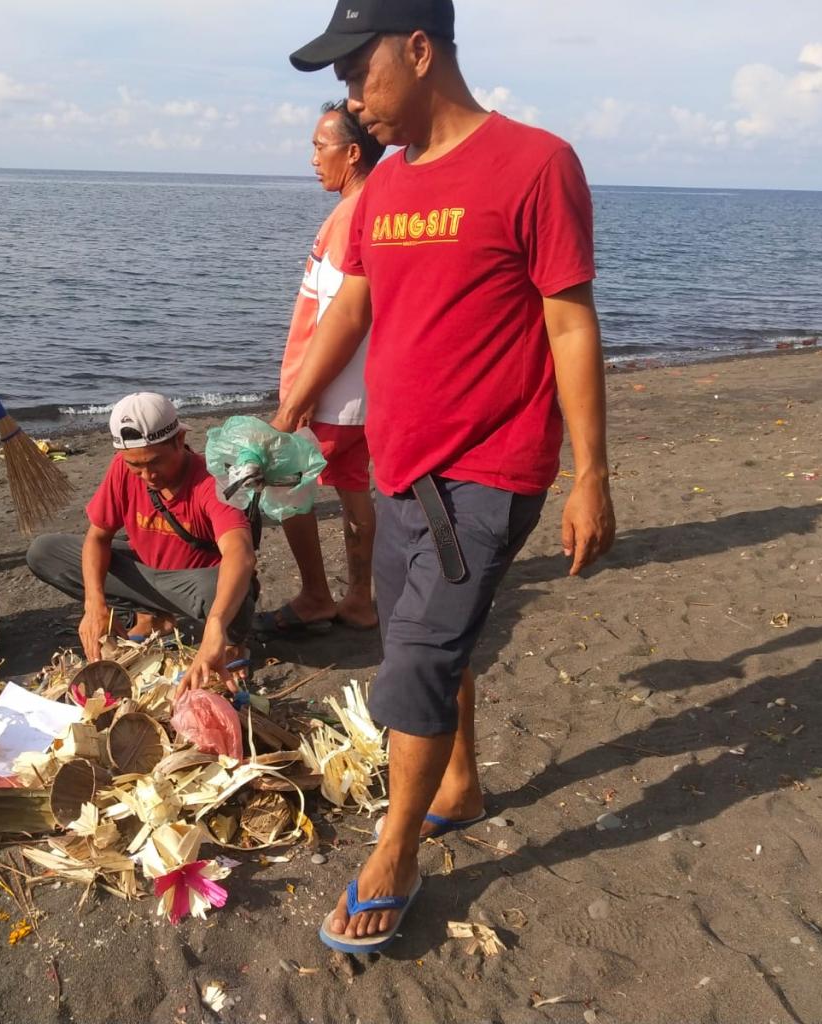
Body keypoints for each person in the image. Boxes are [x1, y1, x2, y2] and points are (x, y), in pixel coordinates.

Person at [278, 0, 616, 953]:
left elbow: (570, 324)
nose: (354, 99)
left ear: (420, 49)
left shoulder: (537, 164)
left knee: (419, 658)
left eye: (359, 73)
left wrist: (592, 473)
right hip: (400, 467)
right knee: (423, 641)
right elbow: (355, 304)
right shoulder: (386, 185)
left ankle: (395, 855)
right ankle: (458, 783)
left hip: (489, 468)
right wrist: (293, 404)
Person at [257, 100, 386, 637]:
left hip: (327, 396)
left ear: (352, 153)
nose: (313, 158)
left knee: (281, 485)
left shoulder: (352, 214)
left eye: (320, 146)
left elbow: (343, 318)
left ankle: (315, 595)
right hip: (357, 397)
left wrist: (299, 400)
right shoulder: (374, 204)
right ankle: (359, 599)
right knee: (354, 488)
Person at [26, 393, 257, 691]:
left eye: (154, 462)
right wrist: (94, 604)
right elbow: (97, 537)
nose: (147, 475)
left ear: (179, 439)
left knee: (220, 585)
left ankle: (230, 642)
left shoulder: (211, 479)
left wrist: (214, 627)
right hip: (149, 577)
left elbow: (240, 552)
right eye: (135, 465)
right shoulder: (122, 469)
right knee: (45, 551)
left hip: (194, 586)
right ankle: (154, 618)